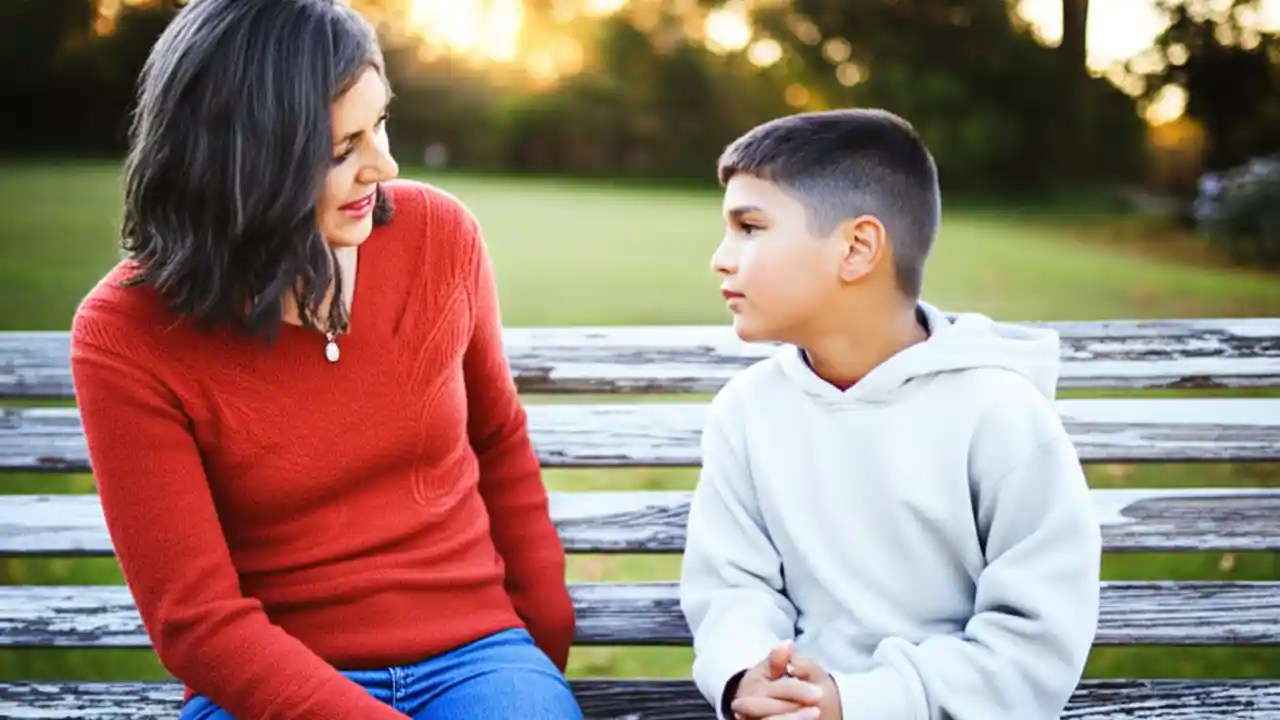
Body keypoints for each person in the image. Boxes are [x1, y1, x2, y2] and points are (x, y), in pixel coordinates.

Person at [68, 1, 580, 718]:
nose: (385, 165)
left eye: (381, 124)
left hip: (476, 658)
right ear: (246, 161)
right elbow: (197, 619)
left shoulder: (439, 235)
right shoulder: (127, 332)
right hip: (268, 686)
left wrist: (538, 648)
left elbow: (496, 437)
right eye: (343, 149)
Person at [678, 109, 1102, 720]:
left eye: (750, 227)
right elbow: (733, 587)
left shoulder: (1000, 413)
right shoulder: (746, 413)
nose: (721, 257)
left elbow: (1033, 638)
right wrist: (749, 675)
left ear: (856, 248)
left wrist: (858, 702)